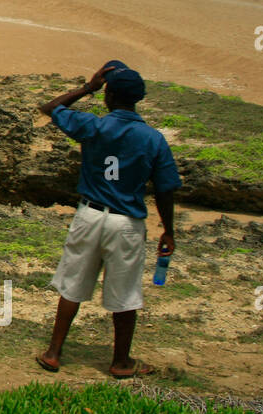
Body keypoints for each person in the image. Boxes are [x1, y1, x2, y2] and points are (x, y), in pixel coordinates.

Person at [35, 61, 181, 378]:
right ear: (137, 99)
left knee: (72, 286)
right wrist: (168, 231)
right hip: (126, 222)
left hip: (89, 215)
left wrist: (88, 87)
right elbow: (166, 189)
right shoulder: (153, 139)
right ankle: (121, 361)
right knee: (125, 294)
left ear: (109, 96)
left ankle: (53, 353)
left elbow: (49, 108)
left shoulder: (94, 126)